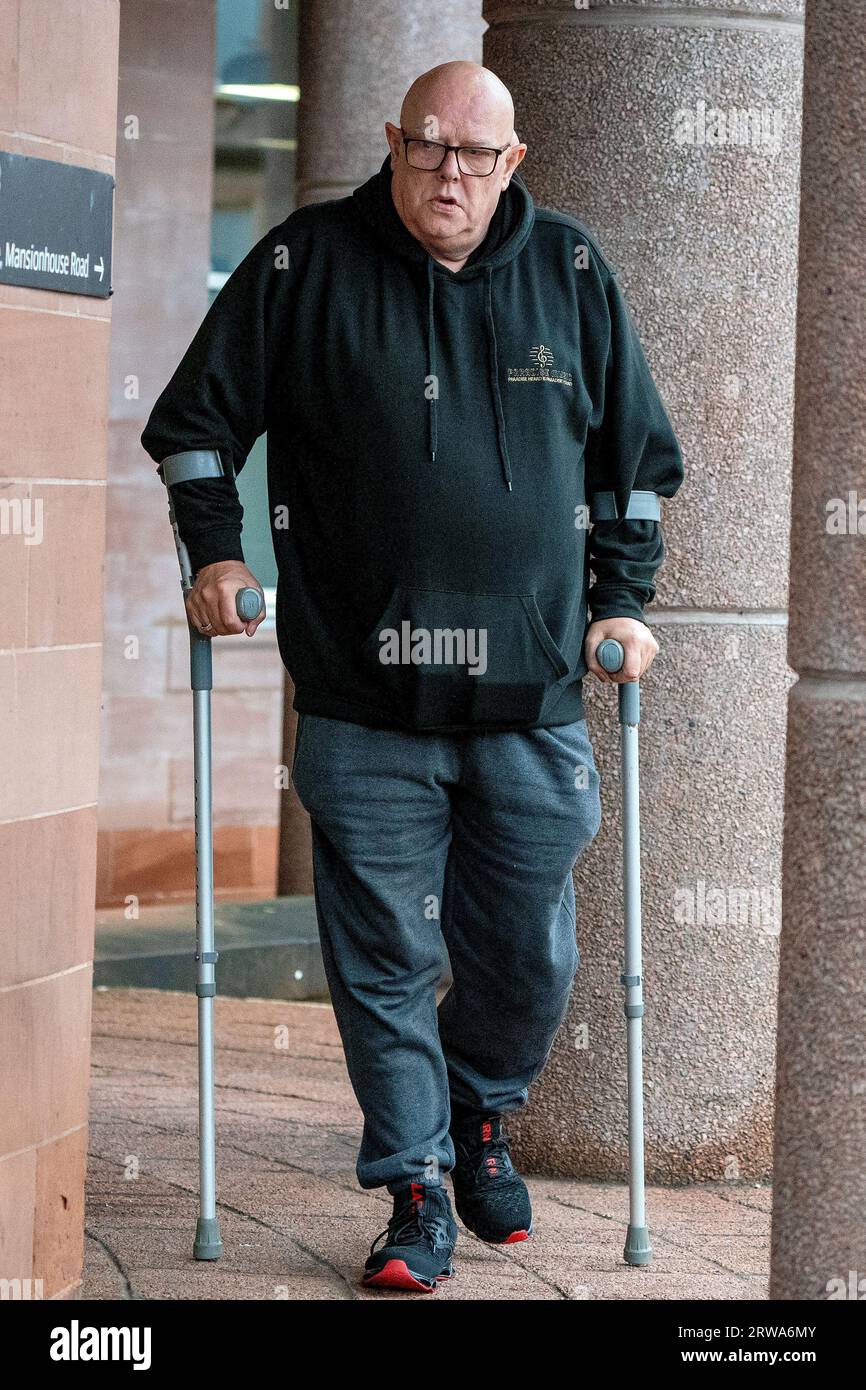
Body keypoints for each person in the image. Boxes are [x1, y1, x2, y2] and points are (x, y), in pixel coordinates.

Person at [141, 59, 684, 1293]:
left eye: (474, 154)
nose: (449, 172)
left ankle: (478, 1107)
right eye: (427, 146)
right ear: (391, 143)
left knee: (528, 959)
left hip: (531, 696)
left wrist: (622, 600)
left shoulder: (570, 272)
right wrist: (217, 555)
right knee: (382, 956)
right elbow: (193, 426)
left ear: (511, 162)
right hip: (361, 696)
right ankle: (416, 1187)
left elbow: (634, 462)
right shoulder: (303, 265)